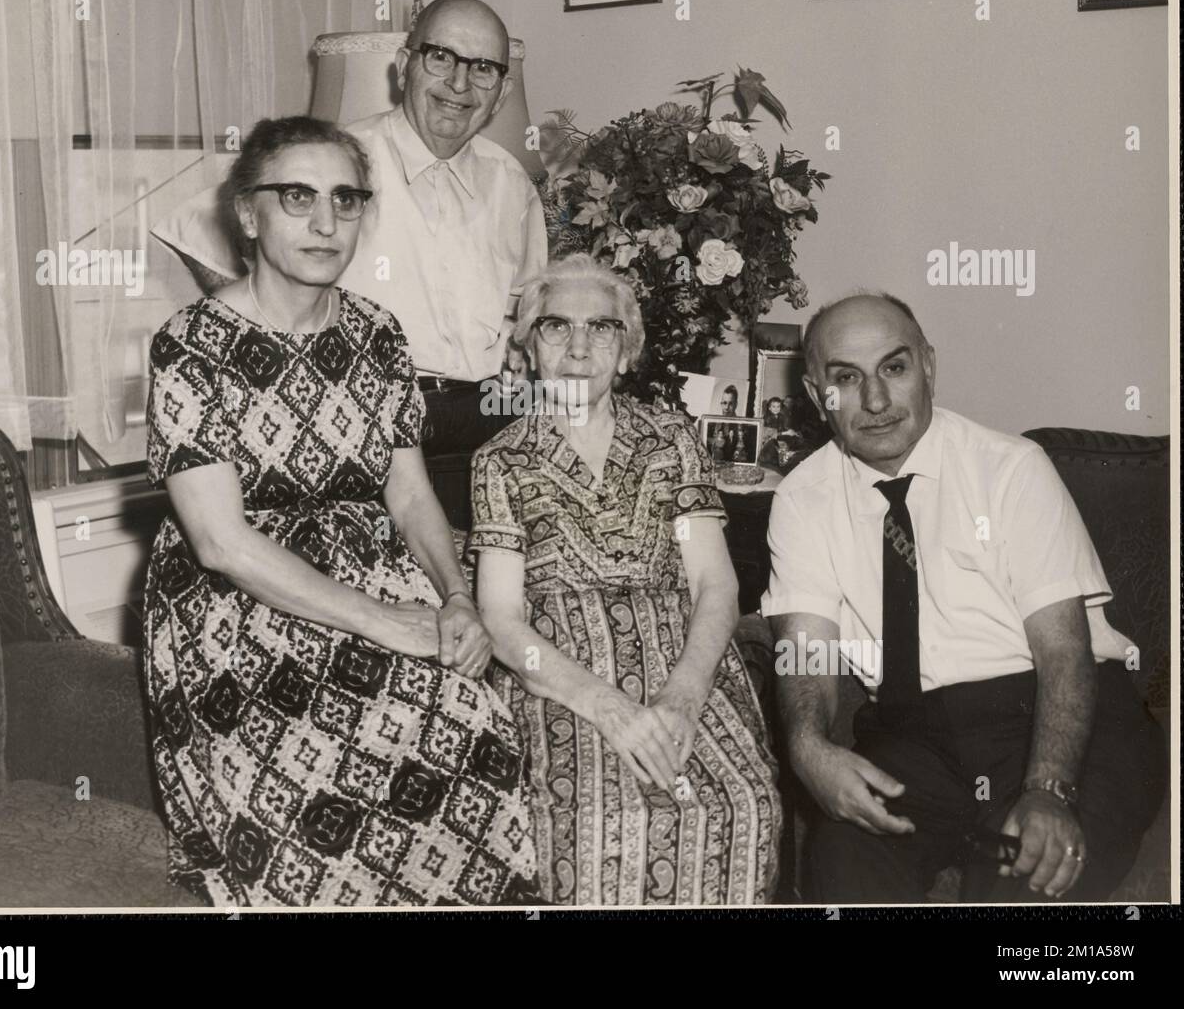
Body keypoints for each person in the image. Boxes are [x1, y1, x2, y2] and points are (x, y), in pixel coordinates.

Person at [142, 117, 540, 907]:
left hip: (375, 570)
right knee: (315, 791)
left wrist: (455, 597)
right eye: (298, 197)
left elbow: (411, 493)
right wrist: (386, 621)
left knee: (475, 735)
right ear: (248, 214)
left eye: (346, 200)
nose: (327, 224)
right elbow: (222, 543)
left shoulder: (377, 335)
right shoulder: (189, 343)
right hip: (237, 611)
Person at [763, 292, 1166, 903]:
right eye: (847, 378)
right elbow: (805, 655)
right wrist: (808, 748)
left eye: (894, 369)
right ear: (820, 395)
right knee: (843, 867)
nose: (874, 402)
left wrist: (1048, 790)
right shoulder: (801, 498)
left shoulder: (1011, 469)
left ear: (928, 366)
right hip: (913, 744)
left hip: (1052, 717)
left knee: (1021, 880)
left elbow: (1063, 651)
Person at [468, 255, 782, 905]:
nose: (579, 349)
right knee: (583, 822)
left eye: (602, 329)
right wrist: (611, 711)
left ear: (626, 348)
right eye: (556, 327)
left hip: (682, 666)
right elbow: (502, 622)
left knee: (742, 803)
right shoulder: (499, 461)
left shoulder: (673, 438)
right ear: (528, 345)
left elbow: (716, 586)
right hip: (560, 681)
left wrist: (684, 698)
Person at [336, 0, 548, 456]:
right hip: (373, 420)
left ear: (502, 94)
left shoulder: (511, 182)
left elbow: (530, 313)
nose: (459, 84)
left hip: (493, 417)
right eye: (441, 57)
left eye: (483, 68)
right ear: (403, 66)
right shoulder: (342, 161)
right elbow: (200, 237)